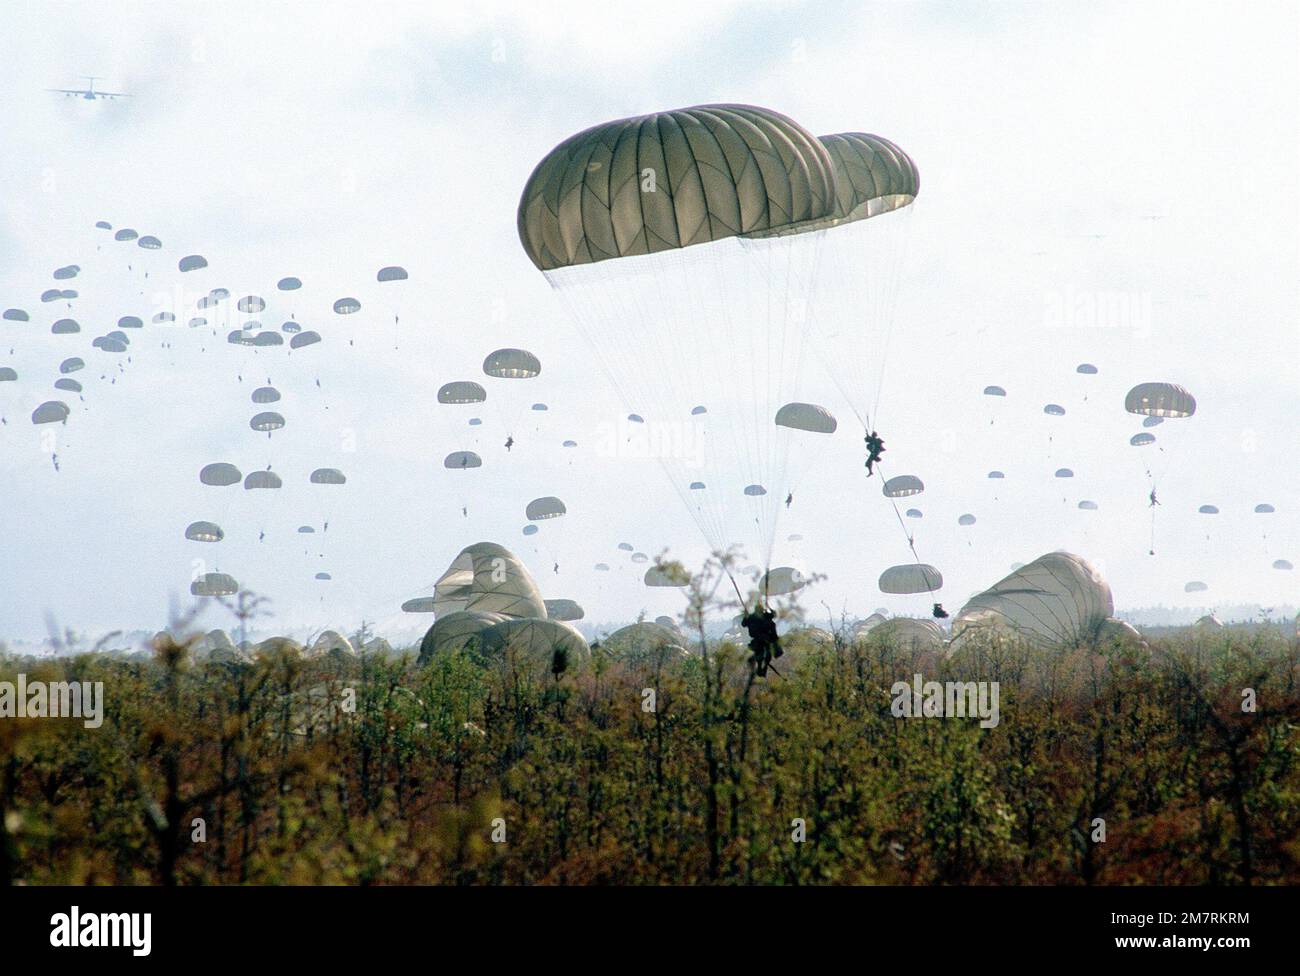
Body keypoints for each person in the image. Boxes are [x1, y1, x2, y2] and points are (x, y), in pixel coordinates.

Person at [741, 603, 783, 677]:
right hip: (758, 640)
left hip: (767, 639)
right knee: (761, 654)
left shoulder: (766, 616)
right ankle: (760, 667)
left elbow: (774, 614)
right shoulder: (751, 617)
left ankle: (763, 668)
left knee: (768, 654)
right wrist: (745, 616)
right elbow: (744, 624)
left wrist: (769, 607)